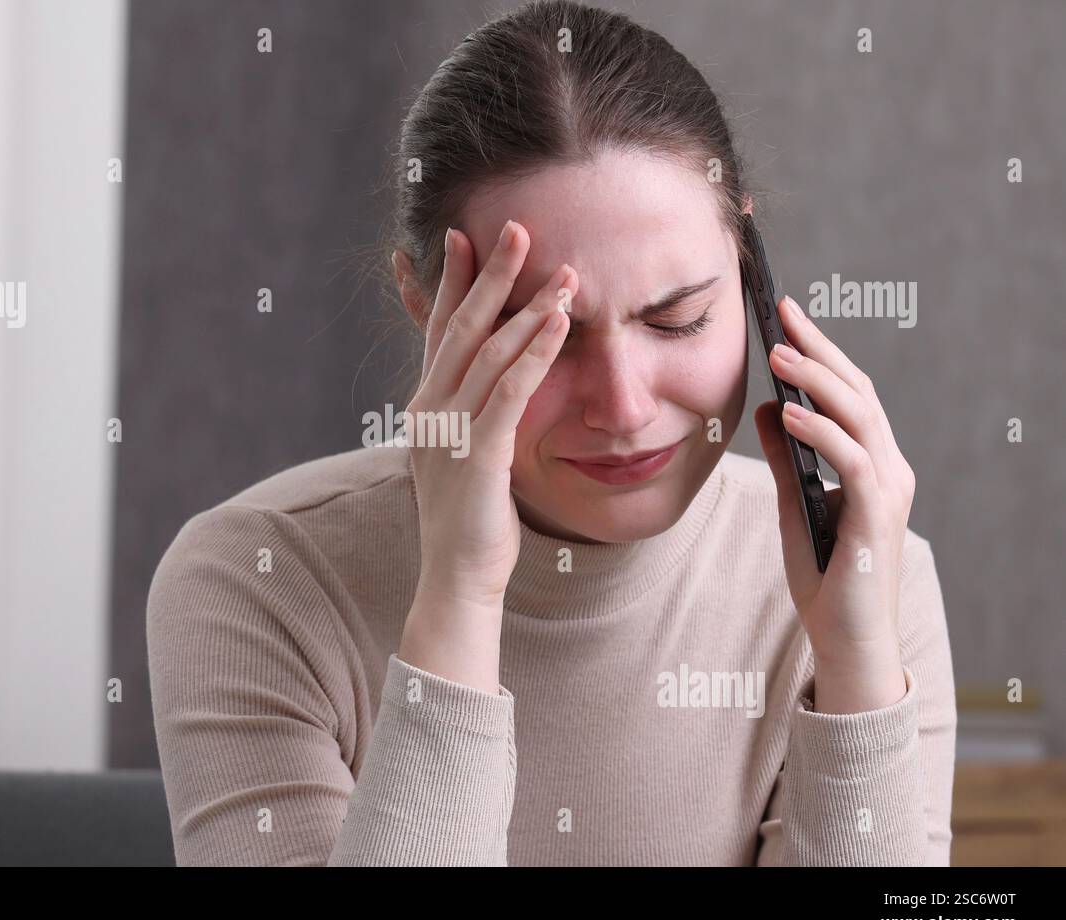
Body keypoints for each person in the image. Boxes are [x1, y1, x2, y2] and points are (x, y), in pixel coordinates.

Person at [146, 0, 956, 866]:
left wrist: (857, 662)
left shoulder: (873, 583)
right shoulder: (256, 582)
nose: (625, 406)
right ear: (430, 310)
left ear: (751, 278)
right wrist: (457, 591)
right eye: (547, 336)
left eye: (679, 318)